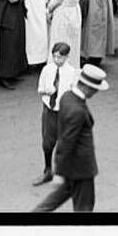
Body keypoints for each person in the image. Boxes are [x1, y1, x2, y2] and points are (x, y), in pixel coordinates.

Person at [33, 63, 107, 213]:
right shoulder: (78, 111)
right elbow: (67, 142)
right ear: (88, 88)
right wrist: (59, 173)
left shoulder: (66, 97)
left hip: (71, 167)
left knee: (54, 200)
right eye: (95, 89)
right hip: (81, 169)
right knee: (85, 208)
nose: (96, 93)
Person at [33, 40, 79, 186]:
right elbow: (40, 89)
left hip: (64, 113)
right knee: (47, 143)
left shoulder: (72, 73)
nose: (57, 60)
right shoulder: (47, 70)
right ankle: (47, 171)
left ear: (67, 57)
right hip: (49, 110)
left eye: (60, 57)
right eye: (55, 56)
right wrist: (47, 91)